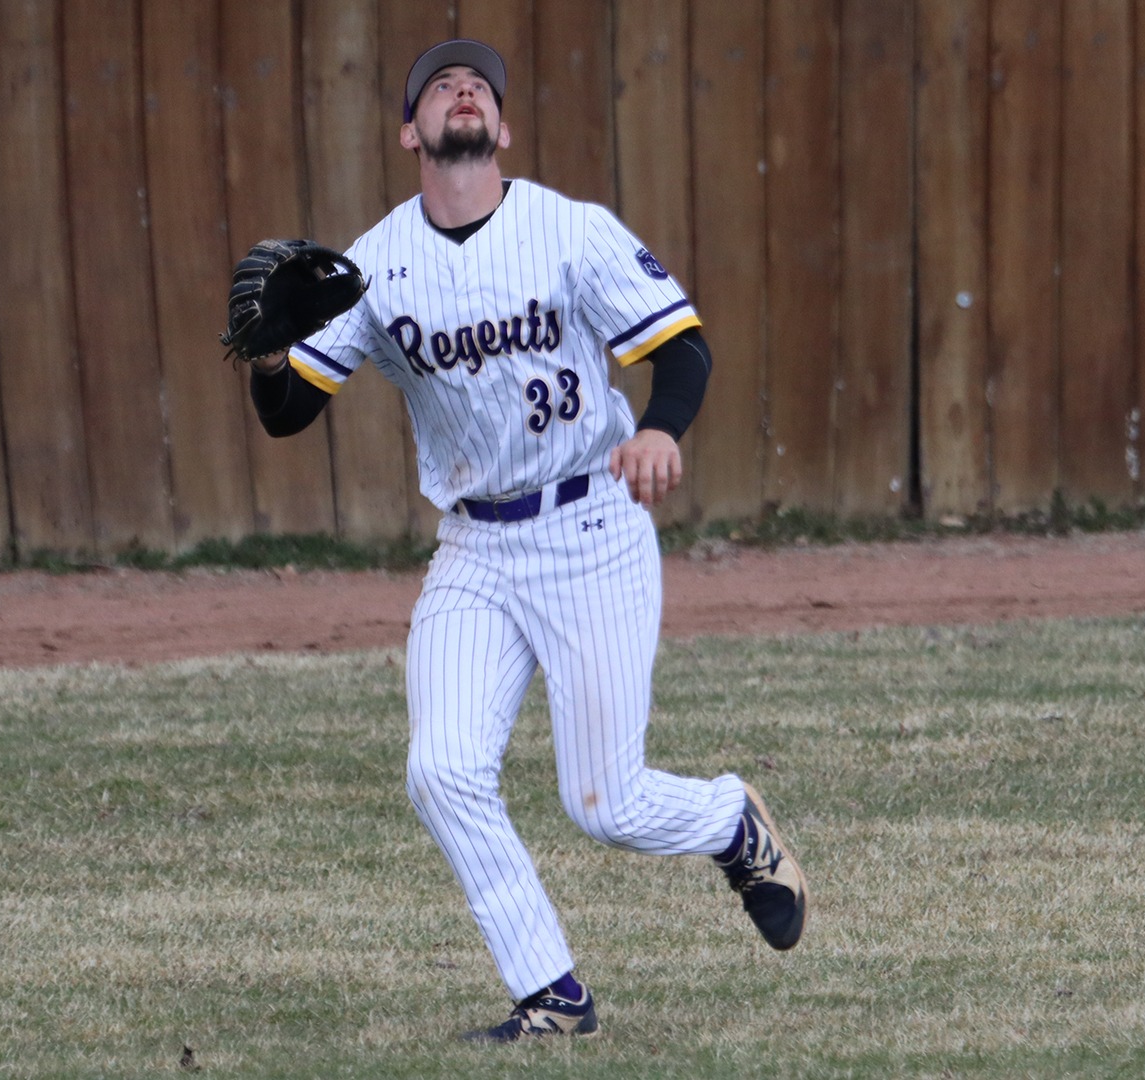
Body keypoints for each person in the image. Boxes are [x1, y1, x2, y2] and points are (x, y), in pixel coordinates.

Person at [242, 38, 806, 1042]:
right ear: (410, 132)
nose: (463, 90)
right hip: (475, 547)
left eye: (480, 87)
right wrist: (269, 356)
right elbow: (288, 414)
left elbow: (682, 347)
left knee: (606, 804)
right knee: (441, 770)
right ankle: (552, 993)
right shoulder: (375, 266)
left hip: (591, 526)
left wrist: (660, 430)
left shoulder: (569, 230)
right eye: (439, 86)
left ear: (502, 127)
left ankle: (729, 821)